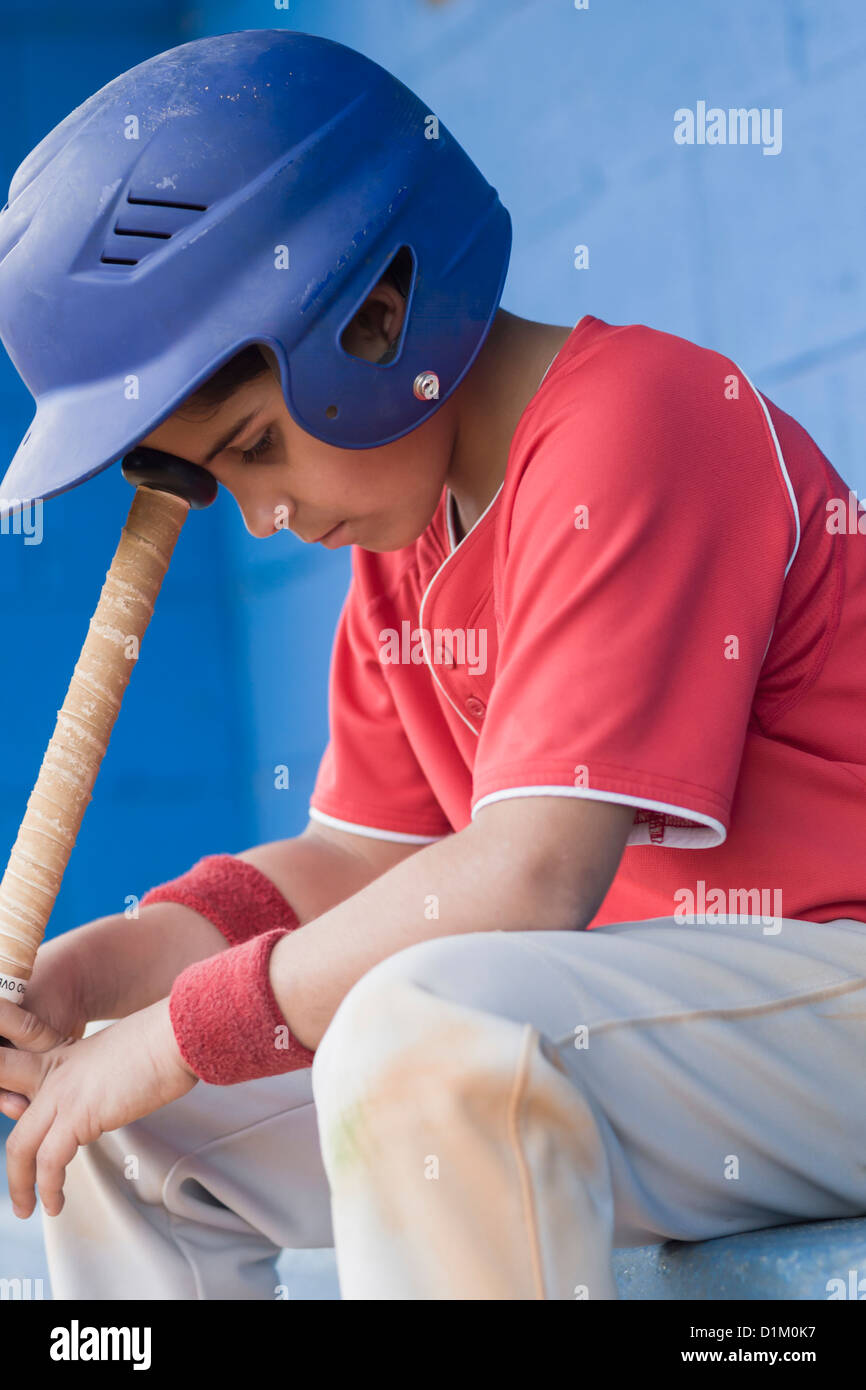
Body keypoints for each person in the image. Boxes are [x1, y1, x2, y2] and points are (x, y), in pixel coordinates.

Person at [0, 29, 865, 1302]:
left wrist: (190, 1029)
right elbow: (367, 865)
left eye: (254, 447)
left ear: (377, 312)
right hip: (649, 1049)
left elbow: (525, 870)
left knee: (428, 1021)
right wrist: (106, 978)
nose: (261, 518)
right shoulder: (407, 547)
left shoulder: (640, 420)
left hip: (826, 999)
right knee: (112, 1124)